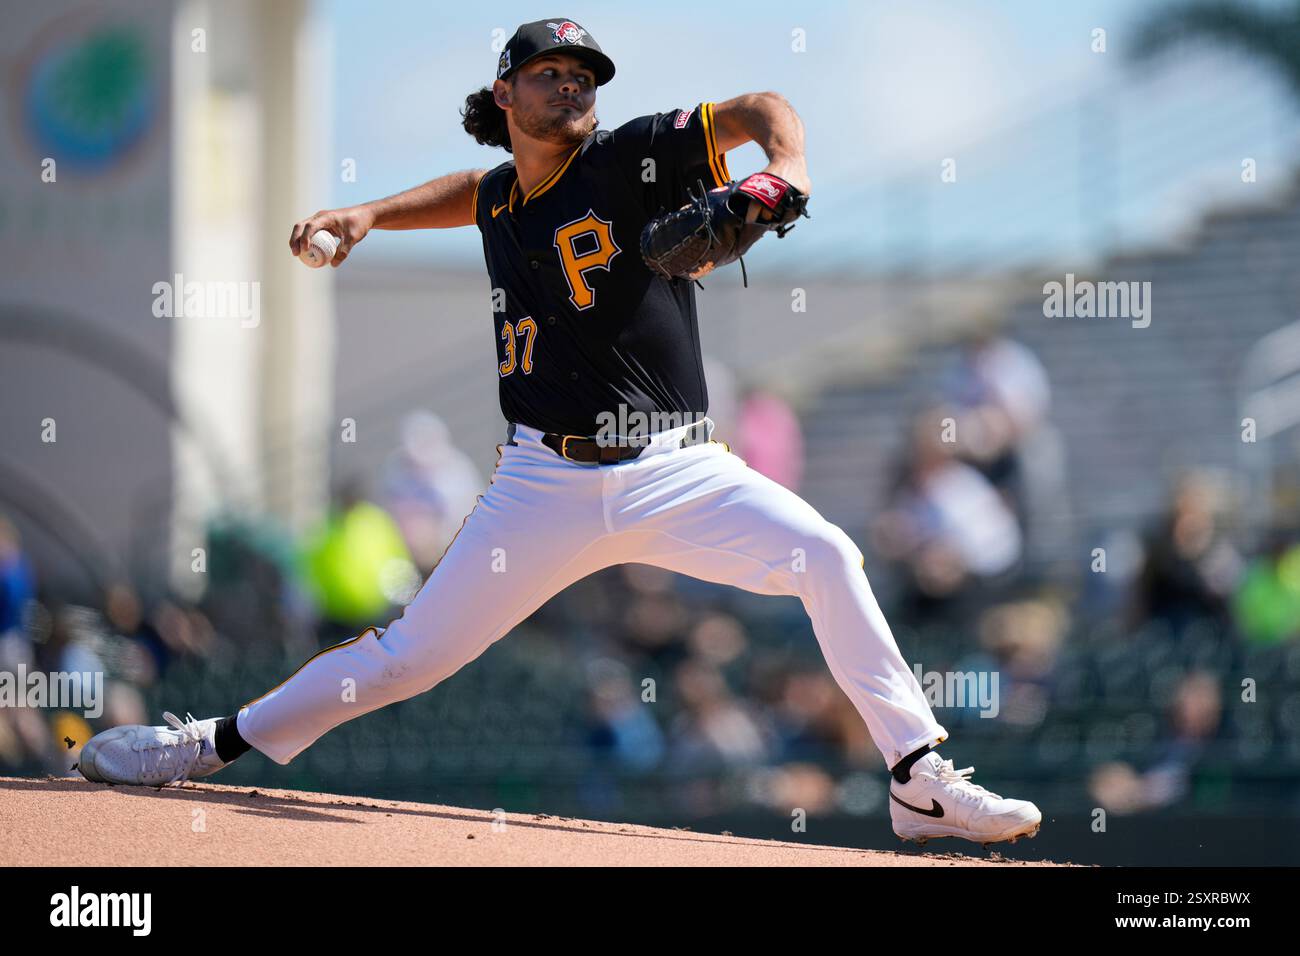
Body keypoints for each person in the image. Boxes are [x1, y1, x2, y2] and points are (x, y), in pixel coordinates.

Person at [76, 18, 1040, 847]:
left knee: (828, 555)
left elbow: (759, 105)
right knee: (409, 659)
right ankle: (203, 743)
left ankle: (919, 777)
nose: (574, 87)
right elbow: (473, 191)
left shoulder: (629, 156)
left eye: (584, 78)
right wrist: (369, 211)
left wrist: (784, 167)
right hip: (544, 486)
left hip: (677, 468)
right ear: (505, 91)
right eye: (552, 74)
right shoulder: (502, 195)